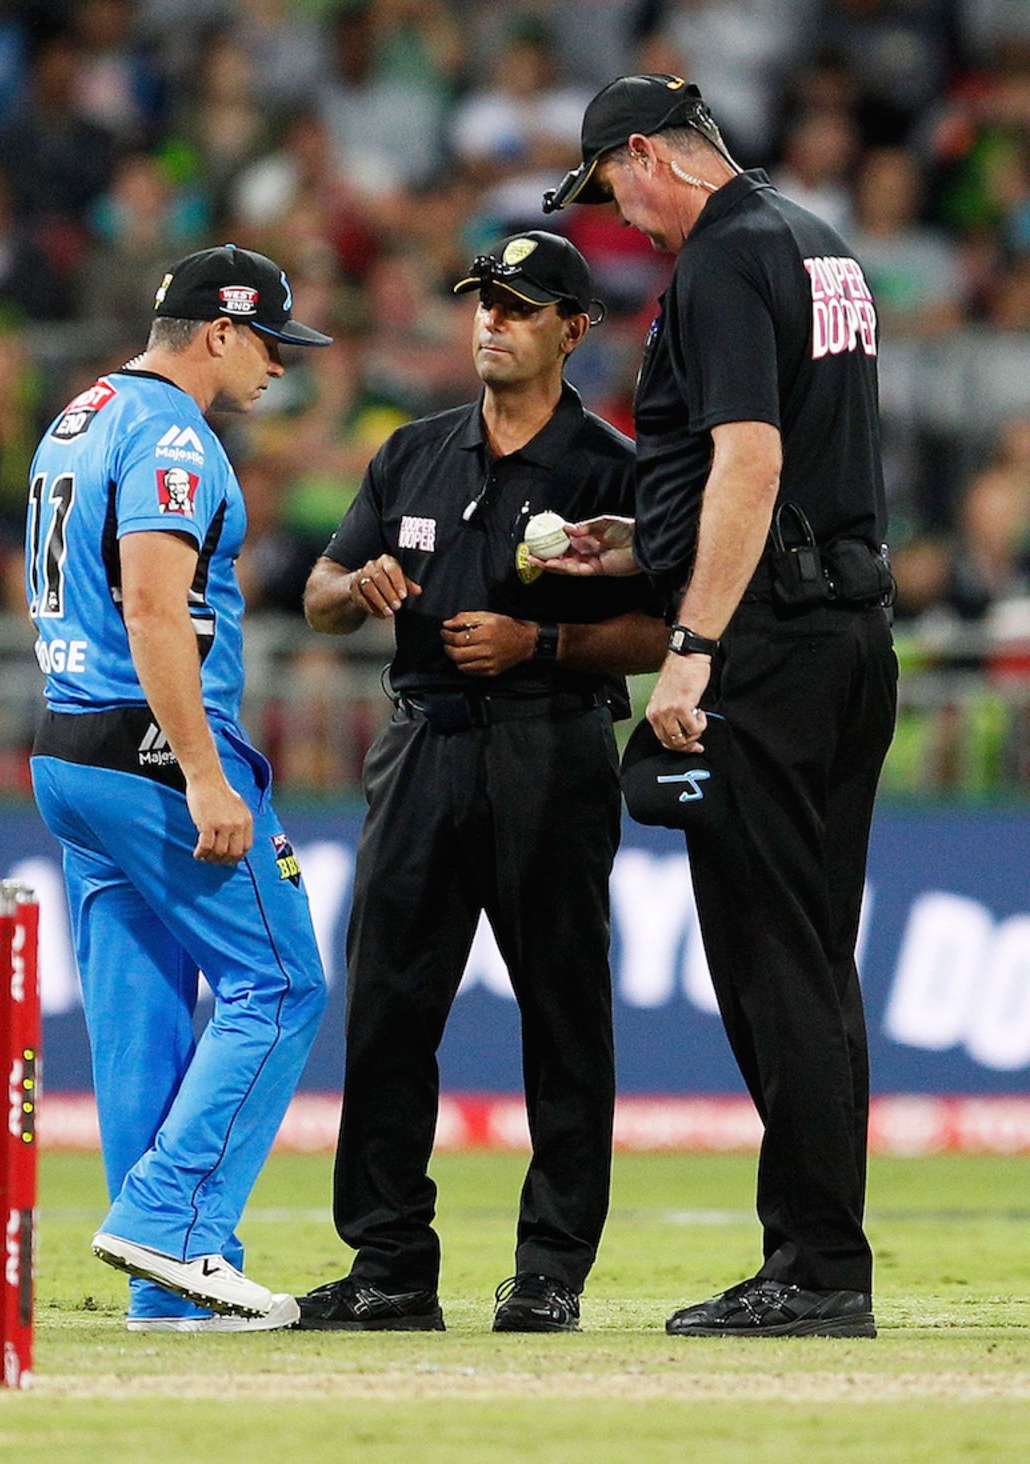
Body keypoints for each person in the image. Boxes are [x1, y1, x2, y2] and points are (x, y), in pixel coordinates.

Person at [542, 74, 897, 1338]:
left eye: (607, 189)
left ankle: (814, 1268)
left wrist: (688, 649)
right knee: (814, 959)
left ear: (651, 154)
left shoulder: (723, 260)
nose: (614, 220)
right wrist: (640, 541)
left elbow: (752, 458)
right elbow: (779, 473)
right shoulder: (818, 242)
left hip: (771, 651)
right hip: (851, 633)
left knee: (769, 964)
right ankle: (820, 1254)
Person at [299, 232, 666, 1333]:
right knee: (386, 1009)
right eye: (481, 303)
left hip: (548, 744)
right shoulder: (411, 450)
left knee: (561, 1010)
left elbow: (666, 628)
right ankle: (389, 1268)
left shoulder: (613, 469)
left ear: (572, 327)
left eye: (517, 305)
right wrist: (347, 584)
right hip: (419, 746)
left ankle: (549, 1270)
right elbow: (317, 590)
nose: (491, 321)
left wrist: (537, 648)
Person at [26, 245, 331, 1332]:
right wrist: (204, 771)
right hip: (154, 759)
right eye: (270, 344)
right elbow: (156, 610)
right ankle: (174, 1227)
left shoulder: (80, 414)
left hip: (67, 745)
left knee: (140, 1022)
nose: (279, 369)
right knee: (284, 984)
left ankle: (168, 1291)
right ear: (218, 331)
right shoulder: (171, 435)